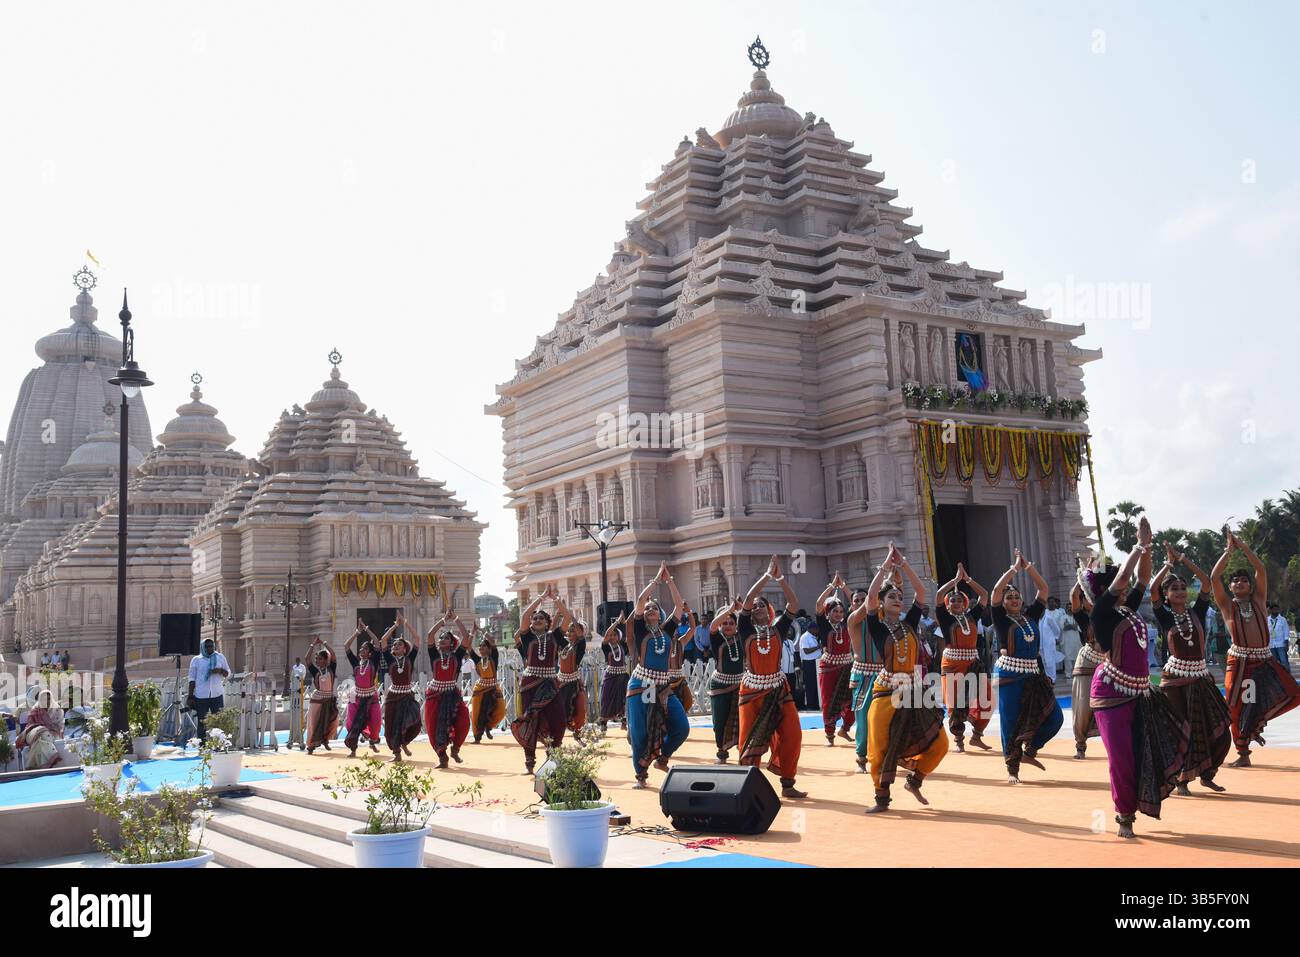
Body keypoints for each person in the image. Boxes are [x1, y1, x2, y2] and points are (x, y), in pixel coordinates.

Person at [1088, 518, 1189, 839]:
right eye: (1114, 584)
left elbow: (1143, 579)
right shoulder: (1101, 612)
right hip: (1110, 694)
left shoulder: (1127, 609)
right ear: (1103, 590)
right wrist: (1139, 547)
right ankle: (1124, 816)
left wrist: (1147, 548)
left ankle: (1141, 802)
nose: (1122, 586)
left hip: (1141, 692)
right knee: (1121, 757)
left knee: (1151, 747)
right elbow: (1122, 580)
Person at [859, 544, 947, 813]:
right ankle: (881, 798)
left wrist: (904, 563)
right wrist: (886, 566)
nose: (897, 599)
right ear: (883, 605)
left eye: (899, 596)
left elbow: (921, 592)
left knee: (940, 743)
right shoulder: (876, 626)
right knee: (879, 750)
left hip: (915, 690)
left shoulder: (910, 623)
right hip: (886, 692)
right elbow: (871, 597)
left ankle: (915, 780)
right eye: (892, 597)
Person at [1211, 530, 1300, 767]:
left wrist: (1243, 546)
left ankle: (1253, 729)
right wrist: (1228, 552)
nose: (1240, 583)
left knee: (1291, 693)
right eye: (1235, 581)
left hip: (1264, 662)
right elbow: (1213, 577)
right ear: (1230, 587)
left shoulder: (1259, 601)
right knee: (1237, 707)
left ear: (1250, 586)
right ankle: (1243, 752)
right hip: (1239, 665)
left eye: (1244, 580)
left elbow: (1260, 568)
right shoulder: (1227, 606)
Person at [1152, 543, 1230, 794]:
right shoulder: (1164, 616)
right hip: (1176, 680)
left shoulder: (1198, 611)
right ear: (1166, 595)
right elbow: (1152, 588)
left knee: (1219, 728)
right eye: (1174, 588)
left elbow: (1206, 582)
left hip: (1200, 677)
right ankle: (1182, 779)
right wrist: (1167, 565)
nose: (1180, 591)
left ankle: (1207, 774)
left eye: (1183, 588)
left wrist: (1183, 558)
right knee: (1182, 730)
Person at [989, 548, 1064, 784]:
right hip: (1009, 675)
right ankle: (1012, 768)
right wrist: (1013, 569)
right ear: (1004, 602)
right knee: (1010, 721)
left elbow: (1043, 589)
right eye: (1009, 597)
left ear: (1022, 600)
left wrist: (1027, 566)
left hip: (1034, 674)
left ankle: (1030, 751)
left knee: (1055, 718)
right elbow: (995, 592)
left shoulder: (1032, 614)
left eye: (1016, 597)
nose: (1013, 599)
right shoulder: (1000, 619)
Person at [736, 556, 807, 799]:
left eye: (760, 605)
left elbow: (794, 603)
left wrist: (780, 578)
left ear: (768, 610)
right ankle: (747, 786)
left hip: (778, 689)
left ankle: (788, 783)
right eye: (753, 606)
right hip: (752, 692)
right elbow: (745, 601)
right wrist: (765, 576)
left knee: (793, 733)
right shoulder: (744, 629)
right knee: (749, 740)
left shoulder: (778, 628)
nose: (755, 607)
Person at [626, 563, 691, 788]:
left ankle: (662, 757)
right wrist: (655, 580)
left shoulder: (667, 631)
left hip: (663, 687)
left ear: (660, 614)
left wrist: (669, 580)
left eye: (654, 608)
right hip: (641, 685)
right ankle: (641, 774)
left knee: (682, 727)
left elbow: (679, 608)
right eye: (648, 609)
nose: (650, 609)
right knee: (640, 730)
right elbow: (640, 603)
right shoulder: (640, 629)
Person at [511, 586, 570, 774]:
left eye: (541, 618)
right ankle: (529, 763)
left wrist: (556, 601)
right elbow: (524, 617)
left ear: (547, 622)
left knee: (559, 719)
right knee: (531, 720)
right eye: (535, 618)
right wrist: (540, 598)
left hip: (551, 684)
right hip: (530, 684)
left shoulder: (556, 636)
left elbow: (567, 618)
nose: (536, 619)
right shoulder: (527, 637)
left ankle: (553, 756)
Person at [934, 564, 992, 753]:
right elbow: (937, 598)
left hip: (973, 663)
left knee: (986, 698)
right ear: (948, 604)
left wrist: (967, 580)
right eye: (952, 600)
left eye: (959, 600)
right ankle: (959, 740)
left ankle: (976, 736)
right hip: (951, 664)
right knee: (955, 702)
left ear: (965, 603)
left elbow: (984, 596)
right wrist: (954, 582)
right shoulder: (945, 618)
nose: (956, 602)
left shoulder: (972, 616)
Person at [424, 611, 472, 768]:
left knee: (463, 721)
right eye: (441, 638)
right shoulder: (434, 655)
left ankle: (456, 749)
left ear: (452, 643)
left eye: (446, 638)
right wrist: (443, 620)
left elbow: (466, 637)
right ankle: (442, 757)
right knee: (433, 727)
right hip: (435, 694)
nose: (441, 639)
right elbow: (431, 635)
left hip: (452, 695)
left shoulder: (457, 656)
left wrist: (456, 619)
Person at [812, 573, 855, 745]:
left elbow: (855, 603)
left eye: (840, 611)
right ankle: (829, 735)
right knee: (828, 700)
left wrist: (843, 586)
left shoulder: (849, 623)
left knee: (852, 700)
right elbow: (817, 605)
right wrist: (831, 587)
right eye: (834, 611)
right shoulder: (823, 624)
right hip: (828, 667)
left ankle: (844, 729)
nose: (838, 614)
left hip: (847, 666)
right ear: (828, 613)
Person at [845, 587, 883, 773]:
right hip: (863, 676)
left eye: (863, 599)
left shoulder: (881, 620)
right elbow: (869, 605)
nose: (860, 603)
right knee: (863, 717)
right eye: (856, 601)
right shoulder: (852, 621)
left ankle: (886, 755)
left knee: (887, 717)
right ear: (851, 606)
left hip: (884, 675)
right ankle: (861, 758)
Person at [1068, 564, 1103, 760]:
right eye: (1085, 598)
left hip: (1108, 663)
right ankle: (1080, 745)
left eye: (1091, 597)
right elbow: (1074, 596)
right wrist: (1083, 576)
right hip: (1087, 663)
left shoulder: (1109, 615)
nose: (1088, 601)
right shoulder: (1083, 617)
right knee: (1082, 707)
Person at [706, 599, 745, 763]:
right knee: (719, 721)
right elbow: (712, 626)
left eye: (731, 623)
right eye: (725, 623)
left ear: (736, 626)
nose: (727, 626)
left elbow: (750, 623)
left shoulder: (742, 638)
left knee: (744, 719)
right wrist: (730, 610)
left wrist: (742, 610)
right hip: (720, 686)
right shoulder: (717, 639)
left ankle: (744, 751)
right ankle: (722, 754)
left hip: (741, 684)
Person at [379, 614, 422, 762]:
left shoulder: (410, 658)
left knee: (411, 721)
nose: (396, 646)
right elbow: (383, 640)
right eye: (395, 644)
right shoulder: (390, 659)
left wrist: (406, 623)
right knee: (393, 724)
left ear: (405, 649)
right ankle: (397, 753)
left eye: (399, 644)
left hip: (407, 696)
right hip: (393, 696)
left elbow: (417, 639)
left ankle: (403, 743)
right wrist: (395, 626)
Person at [342, 622, 382, 756]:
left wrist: (367, 629)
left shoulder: (373, 662)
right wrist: (357, 632)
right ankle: (353, 750)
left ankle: (372, 740)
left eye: (365, 649)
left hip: (371, 696)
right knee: (353, 724)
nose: (361, 650)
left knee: (376, 723)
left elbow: (377, 643)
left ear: (370, 653)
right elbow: (346, 646)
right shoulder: (355, 663)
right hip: (356, 697)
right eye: (361, 648)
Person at [186, 637, 230, 743]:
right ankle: (203, 745)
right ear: (202, 647)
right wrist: (190, 696)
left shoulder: (220, 657)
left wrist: (220, 670)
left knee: (219, 721)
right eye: (207, 646)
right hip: (201, 695)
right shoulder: (196, 660)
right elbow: (192, 679)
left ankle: (218, 744)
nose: (210, 648)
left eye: (211, 646)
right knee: (202, 722)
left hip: (217, 694)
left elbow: (228, 673)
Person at [469, 629, 506, 743]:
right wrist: (472, 632)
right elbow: (469, 648)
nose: (481, 648)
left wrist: (480, 630)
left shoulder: (493, 657)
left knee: (500, 710)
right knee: (478, 713)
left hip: (493, 688)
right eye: (480, 647)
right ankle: (477, 737)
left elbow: (493, 642)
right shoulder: (477, 660)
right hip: (480, 689)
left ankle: (488, 727)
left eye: (484, 646)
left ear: (489, 649)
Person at [304, 638, 338, 754]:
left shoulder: (331, 669)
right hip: (317, 700)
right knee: (313, 723)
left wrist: (324, 643)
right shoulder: (315, 671)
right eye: (316, 659)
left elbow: (332, 654)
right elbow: (307, 659)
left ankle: (325, 740)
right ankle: (311, 746)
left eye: (320, 659)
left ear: (325, 660)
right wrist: (312, 644)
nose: (317, 661)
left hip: (329, 699)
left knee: (331, 721)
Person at [557, 614, 589, 738]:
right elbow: (557, 632)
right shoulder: (565, 645)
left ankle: (577, 731)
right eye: (569, 631)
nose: (570, 633)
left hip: (572, 683)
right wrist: (561, 613)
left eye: (573, 631)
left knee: (577, 709)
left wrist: (571, 617)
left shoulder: (580, 647)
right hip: (560, 682)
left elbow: (581, 636)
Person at [16, 688, 64, 770]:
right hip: (34, 733)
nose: (47, 701)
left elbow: (60, 727)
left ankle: (32, 766)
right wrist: (43, 728)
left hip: (53, 734)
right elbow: (30, 725)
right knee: (42, 733)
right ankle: (51, 759)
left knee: (40, 741)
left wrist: (48, 727)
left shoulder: (57, 710)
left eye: (49, 699)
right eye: (44, 699)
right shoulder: (35, 710)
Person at [598, 613, 630, 731]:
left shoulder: (623, 646)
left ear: (618, 636)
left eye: (614, 635)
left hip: (622, 676)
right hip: (610, 676)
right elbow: (606, 635)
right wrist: (616, 622)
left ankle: (623, 722)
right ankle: (603, 723)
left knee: (622, 699)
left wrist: (627, 621)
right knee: (607, 698)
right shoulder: (606, 647)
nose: (611, 637)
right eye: (610, 635)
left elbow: (631, 636)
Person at [797, 617, 821, 712]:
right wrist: (818, 647)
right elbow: (806, 651)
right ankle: (811, 705)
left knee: (815, 684)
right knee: (810, 684)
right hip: (809, 663)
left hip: (815, 662)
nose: (817, 631)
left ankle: (816, 703)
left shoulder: (813, 637)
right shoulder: (805, 637)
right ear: (811, 629)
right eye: (816, 629)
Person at [1039, 597, 1063, 681]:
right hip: (1040, 646)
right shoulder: (1037, 619)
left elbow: (1056, 629)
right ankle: (1045, 682)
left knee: (1051, 663)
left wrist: (1056, 638)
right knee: (1043, 664)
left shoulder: (1048, 618)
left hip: (1049, 645)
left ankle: (1052, 680)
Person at [1269, 604, 1291, 670]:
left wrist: (1286, 643)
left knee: (1284, 661)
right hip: (1271, 644)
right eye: (1275, 609)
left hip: (1281, 644)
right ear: (1271, 610)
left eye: (1277, 609)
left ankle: (1288, 676)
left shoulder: (1282, 619)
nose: (1276, 611)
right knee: (1274, 662)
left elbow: (1286, 631)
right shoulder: (1267, 619)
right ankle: (1278, 677)